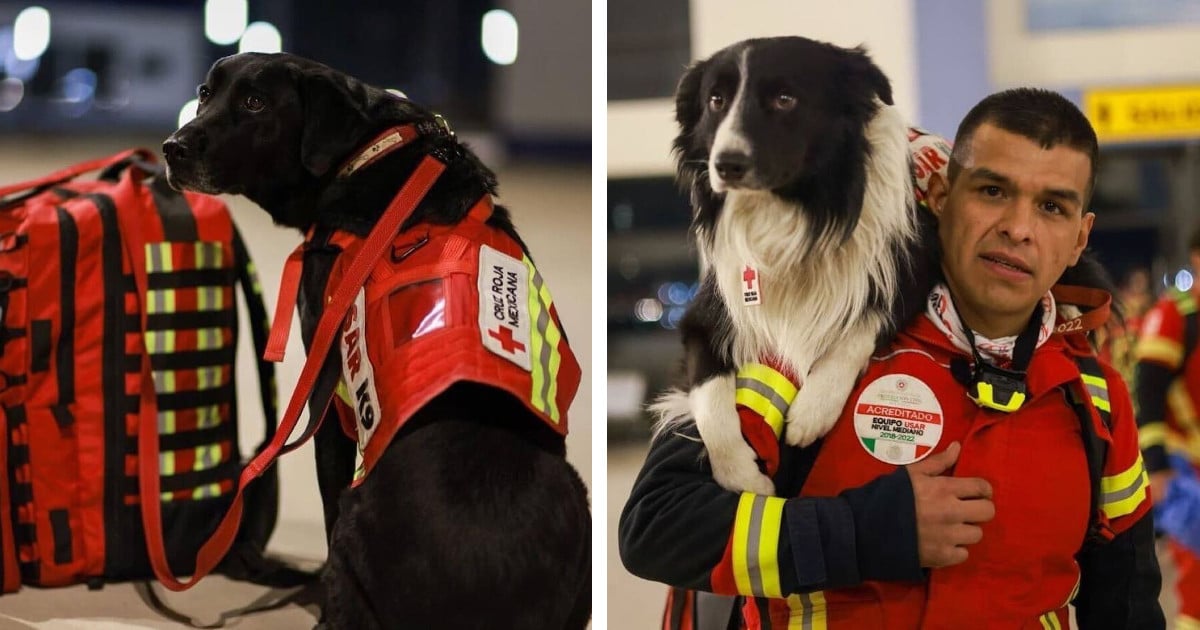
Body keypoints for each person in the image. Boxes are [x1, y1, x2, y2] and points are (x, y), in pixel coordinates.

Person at [620, 88, 1164, 628]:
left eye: (1052, 206)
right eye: (993, 191)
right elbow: (656, 526)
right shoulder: (807, 345)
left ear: (1078, 239)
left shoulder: (1095, 399)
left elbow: (1128, 602)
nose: (1018, 228)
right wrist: (867, 530)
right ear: (944, 196)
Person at [1135, 227, 1200, 629]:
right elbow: (1150, 391)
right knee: (1195, 577)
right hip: (1188, 469)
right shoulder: (1174, 317)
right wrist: (1156, 465)